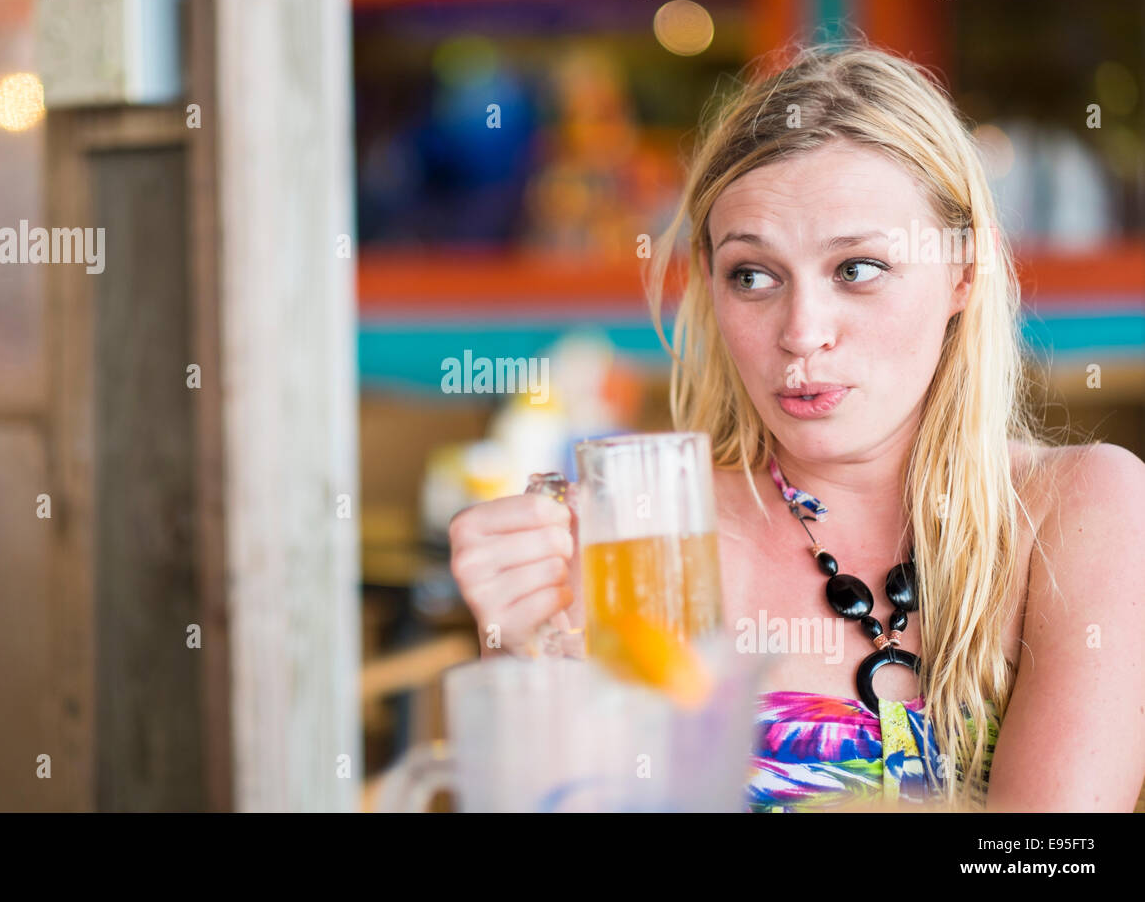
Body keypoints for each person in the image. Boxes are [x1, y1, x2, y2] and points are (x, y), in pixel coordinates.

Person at [447, 41, 1145, 812]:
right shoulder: (644, 547)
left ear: (963, 274)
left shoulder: (1085, 509)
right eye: (753, 275)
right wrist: (532, 660)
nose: (801, 332)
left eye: (857, 269)